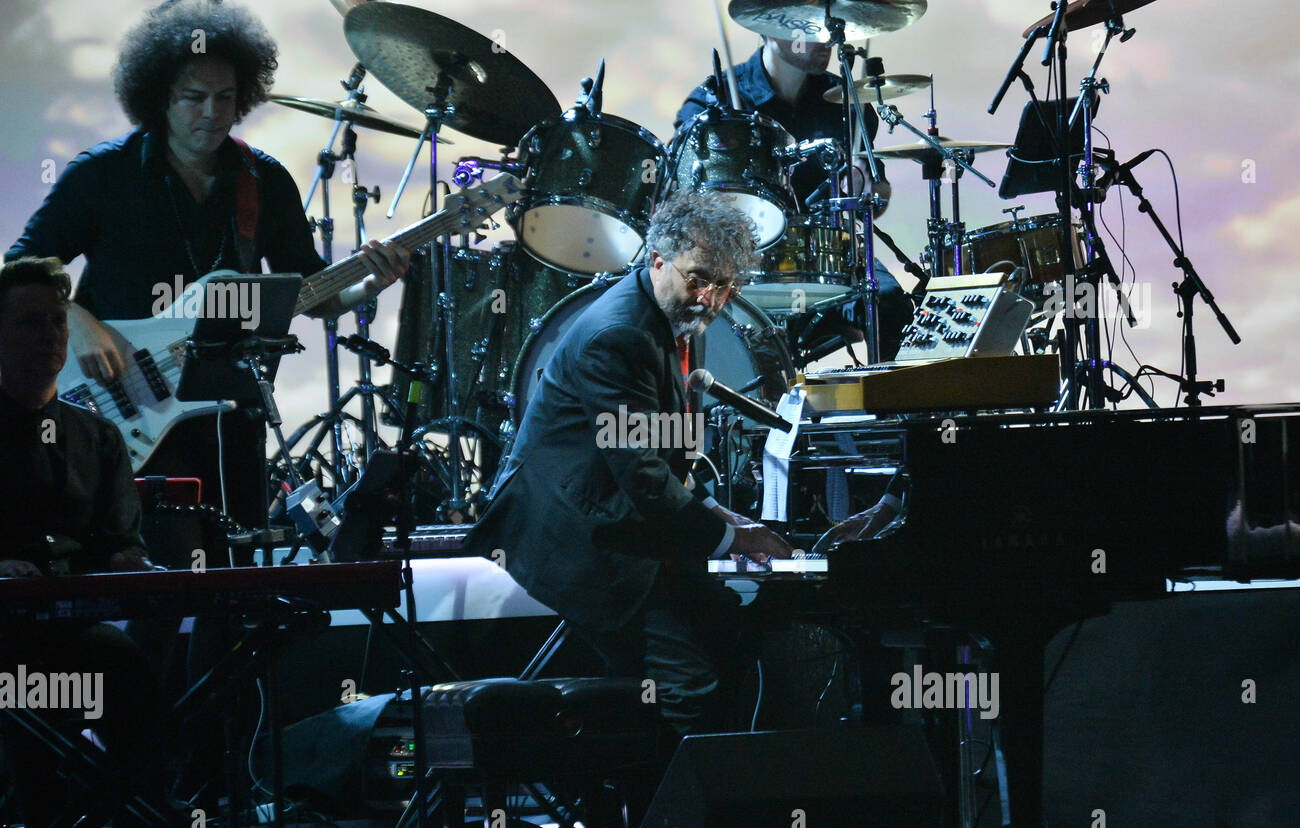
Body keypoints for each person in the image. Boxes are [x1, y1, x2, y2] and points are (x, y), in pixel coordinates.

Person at [5, 0, 408, 528]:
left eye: (225, 98)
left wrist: (371, 283)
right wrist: (79, 323)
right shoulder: (104, 175)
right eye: (194, 98)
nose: (212, 112)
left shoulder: (263, 180)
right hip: (123, 406)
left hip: (231, 409)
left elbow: (314, 296)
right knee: (148, 560)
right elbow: (22, 268)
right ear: (159, 100)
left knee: (233, 569)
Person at [468, 192, 792, 737]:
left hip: (619, 518)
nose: (712, 300)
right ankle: (658, 818)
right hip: (576, 534)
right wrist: (736, 540)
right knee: (692, 688)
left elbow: (662, 464)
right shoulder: (619, 335)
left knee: (735, 641)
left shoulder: (670, 317)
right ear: (658, 259)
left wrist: (729, 520)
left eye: (726, 287)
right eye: (699, 279)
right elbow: (642, 478)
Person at [0, 257, 166, 828]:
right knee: (34, 705)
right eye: (29, 325)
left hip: (67, 628)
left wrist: (127, 561)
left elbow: (121, 543)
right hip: (6, 633)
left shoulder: (98, 437)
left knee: (132, 678)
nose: (49, 338)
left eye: (57, 324)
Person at [675, 34, 914, 361]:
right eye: (807, 26)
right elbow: (688, 199)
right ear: (769, 27)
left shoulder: (848, 101)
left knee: (888, 303)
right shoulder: (712, 102)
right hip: (742, 260)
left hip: (826, 253)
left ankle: (888, 404)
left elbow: (877, 200)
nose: (825, 38)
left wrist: (868, 188)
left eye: (826, 27)